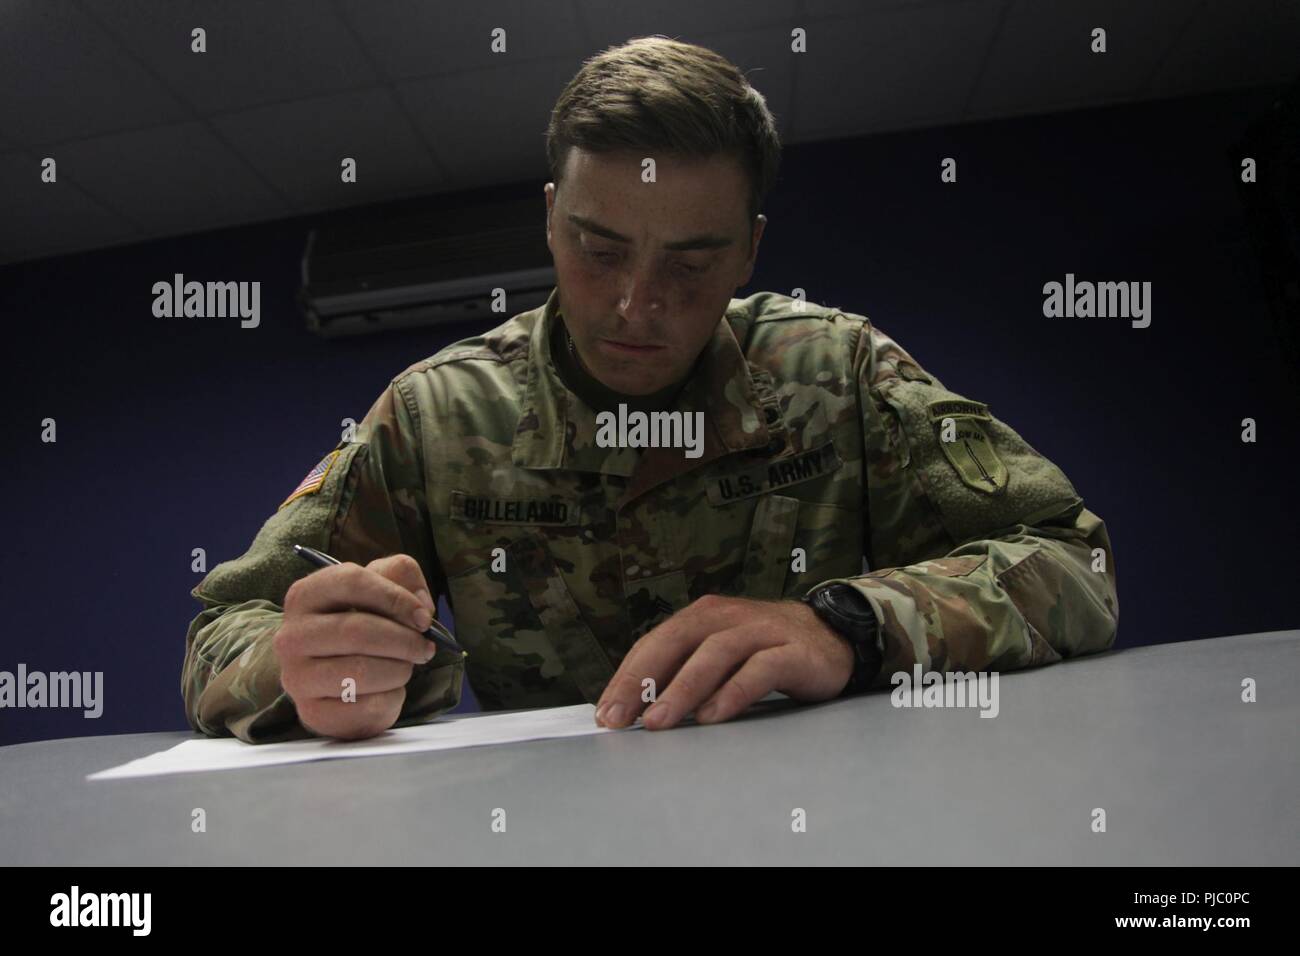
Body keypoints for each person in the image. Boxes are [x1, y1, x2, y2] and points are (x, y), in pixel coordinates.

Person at [182, 36, 1117, 744]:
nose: (639, 304)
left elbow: (1078, 566)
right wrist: (297, 667)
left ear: (749, 249)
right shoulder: (438, 416)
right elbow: (222, 629)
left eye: (692, 261)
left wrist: (850, 626)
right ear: (551, 222)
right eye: (599, 250)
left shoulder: (837, 372)